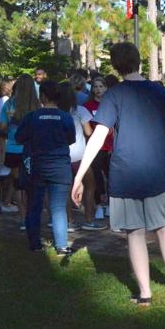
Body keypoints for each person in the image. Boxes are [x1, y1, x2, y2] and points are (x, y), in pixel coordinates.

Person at [71, 43, 165, 305]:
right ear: (139, 61)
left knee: (135, 233)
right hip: (156, 173)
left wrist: (79, 175)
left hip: (124, 173)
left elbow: (98, 137)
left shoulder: (114, 94)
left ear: (116, 66)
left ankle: (145, 294)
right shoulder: (159, 91)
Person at [15, 80, 76, 255]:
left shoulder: (32, 117)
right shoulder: (66, 117)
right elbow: (71, 139)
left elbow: (19, 137)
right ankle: (62, 245)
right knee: (58, 208)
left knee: (34, 206)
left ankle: (34, 244)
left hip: (37, 167)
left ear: (42, 96)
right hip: (60, 167)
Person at [57, 81, 105, 231]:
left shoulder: (56, 112)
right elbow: (89, 132)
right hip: (79, 155)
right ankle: (89, 219)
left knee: (66, 188)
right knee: (90, 185)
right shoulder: (80, 111)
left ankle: (69, 220)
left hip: (62, 156)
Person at [0, 74, 40, 219]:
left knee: (18, 183)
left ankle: (23, 217)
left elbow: (2, 128)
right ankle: (32, 215)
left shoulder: (9, 104)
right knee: (32, 182)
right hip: (32, 149)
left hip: (14, 148)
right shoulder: (37, 105)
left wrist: (11, 121)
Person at [84, 77, 114, 218]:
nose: (98, 89)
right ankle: (99, 205)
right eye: (95, 86)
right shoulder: (87, 106)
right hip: (95, 147)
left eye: (101, 86)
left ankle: (110, 204)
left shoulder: (111, 105)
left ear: (106, 88)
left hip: (111, 147)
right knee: (97, 177)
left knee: (111, 177)